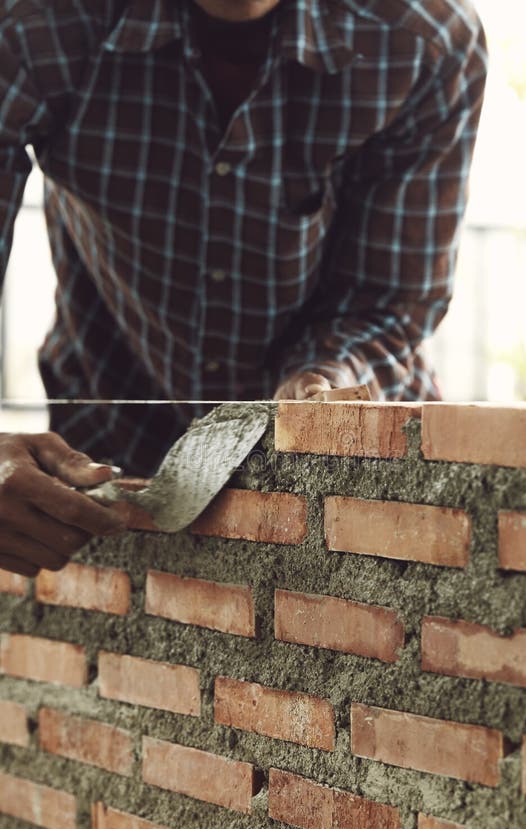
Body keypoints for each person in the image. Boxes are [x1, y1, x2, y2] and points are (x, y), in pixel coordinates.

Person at [0, 0, 487, 575]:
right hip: (112, 456)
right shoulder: (34, 20)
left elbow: (386, 301)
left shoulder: (422, 37)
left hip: (344, 486)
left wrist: (325, 379)